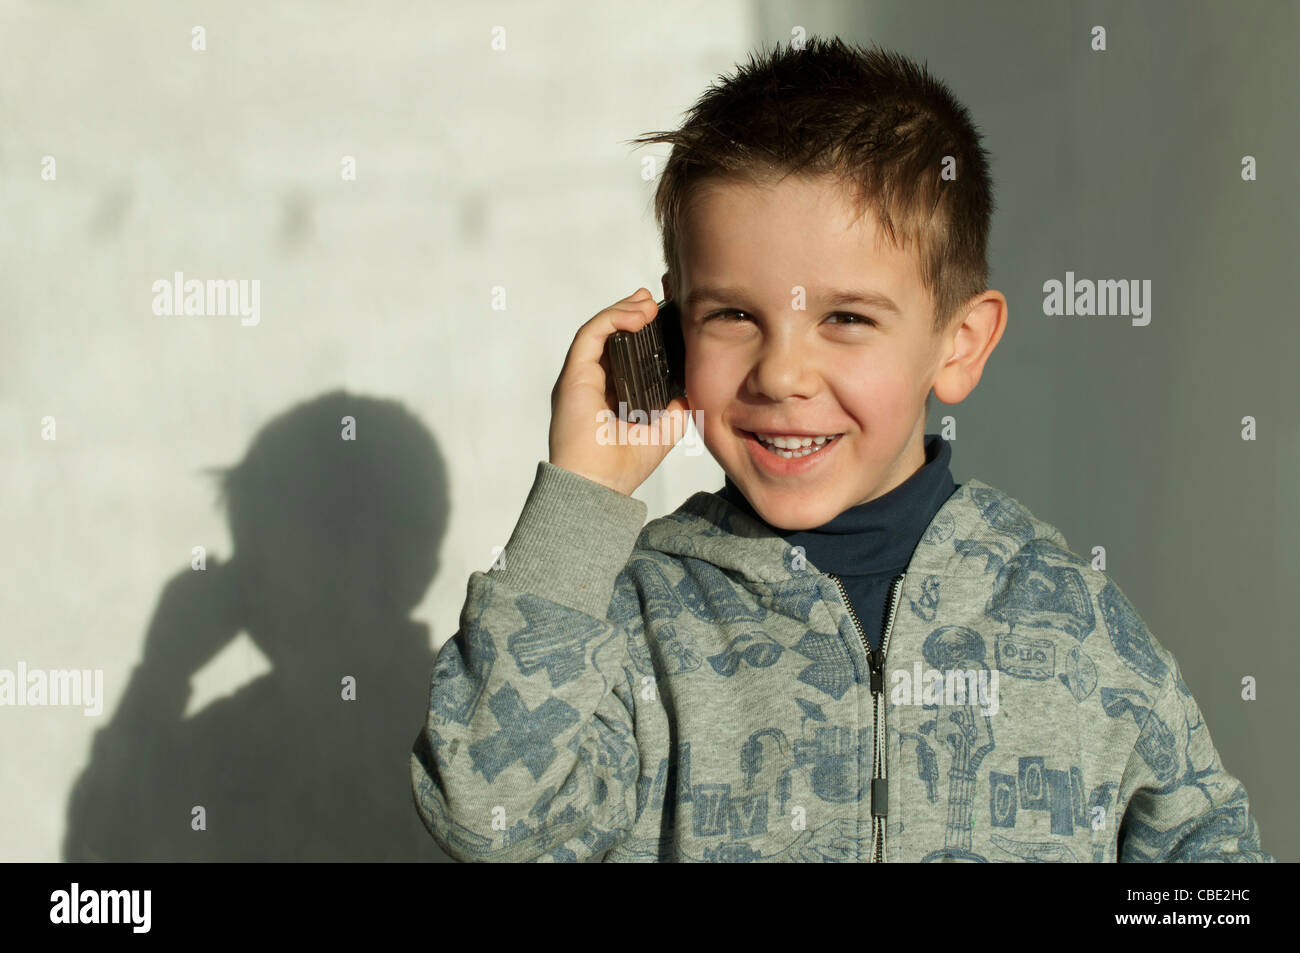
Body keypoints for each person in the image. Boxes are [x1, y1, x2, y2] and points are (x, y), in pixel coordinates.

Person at [409, 37, 1271, 862]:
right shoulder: (630, 621)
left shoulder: (1074, 618)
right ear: (673, 328)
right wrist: (581, 500)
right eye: (734, 315)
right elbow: (492, 820)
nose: (782, 374)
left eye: (846, 318)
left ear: (960, 343)